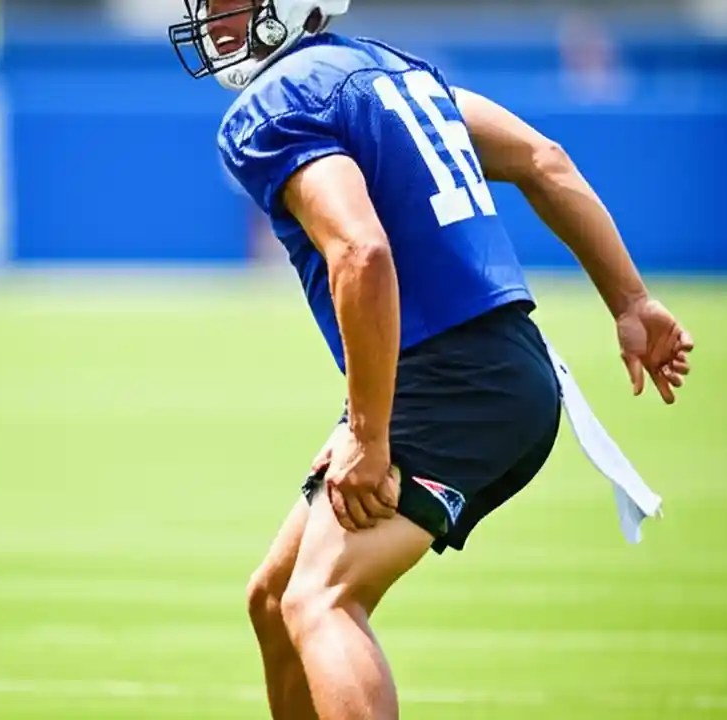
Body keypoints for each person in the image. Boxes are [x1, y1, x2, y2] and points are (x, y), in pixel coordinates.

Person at [168, 2, 696, 719]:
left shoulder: (276, 103)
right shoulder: (397, 71)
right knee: (274, 597)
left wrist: (369, 434)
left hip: (446, 380)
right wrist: (630, 303)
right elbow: (545, 160)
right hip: (499, 366)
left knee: (321, 600)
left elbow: (362, 251)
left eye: (232, 3)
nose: (213, 21)